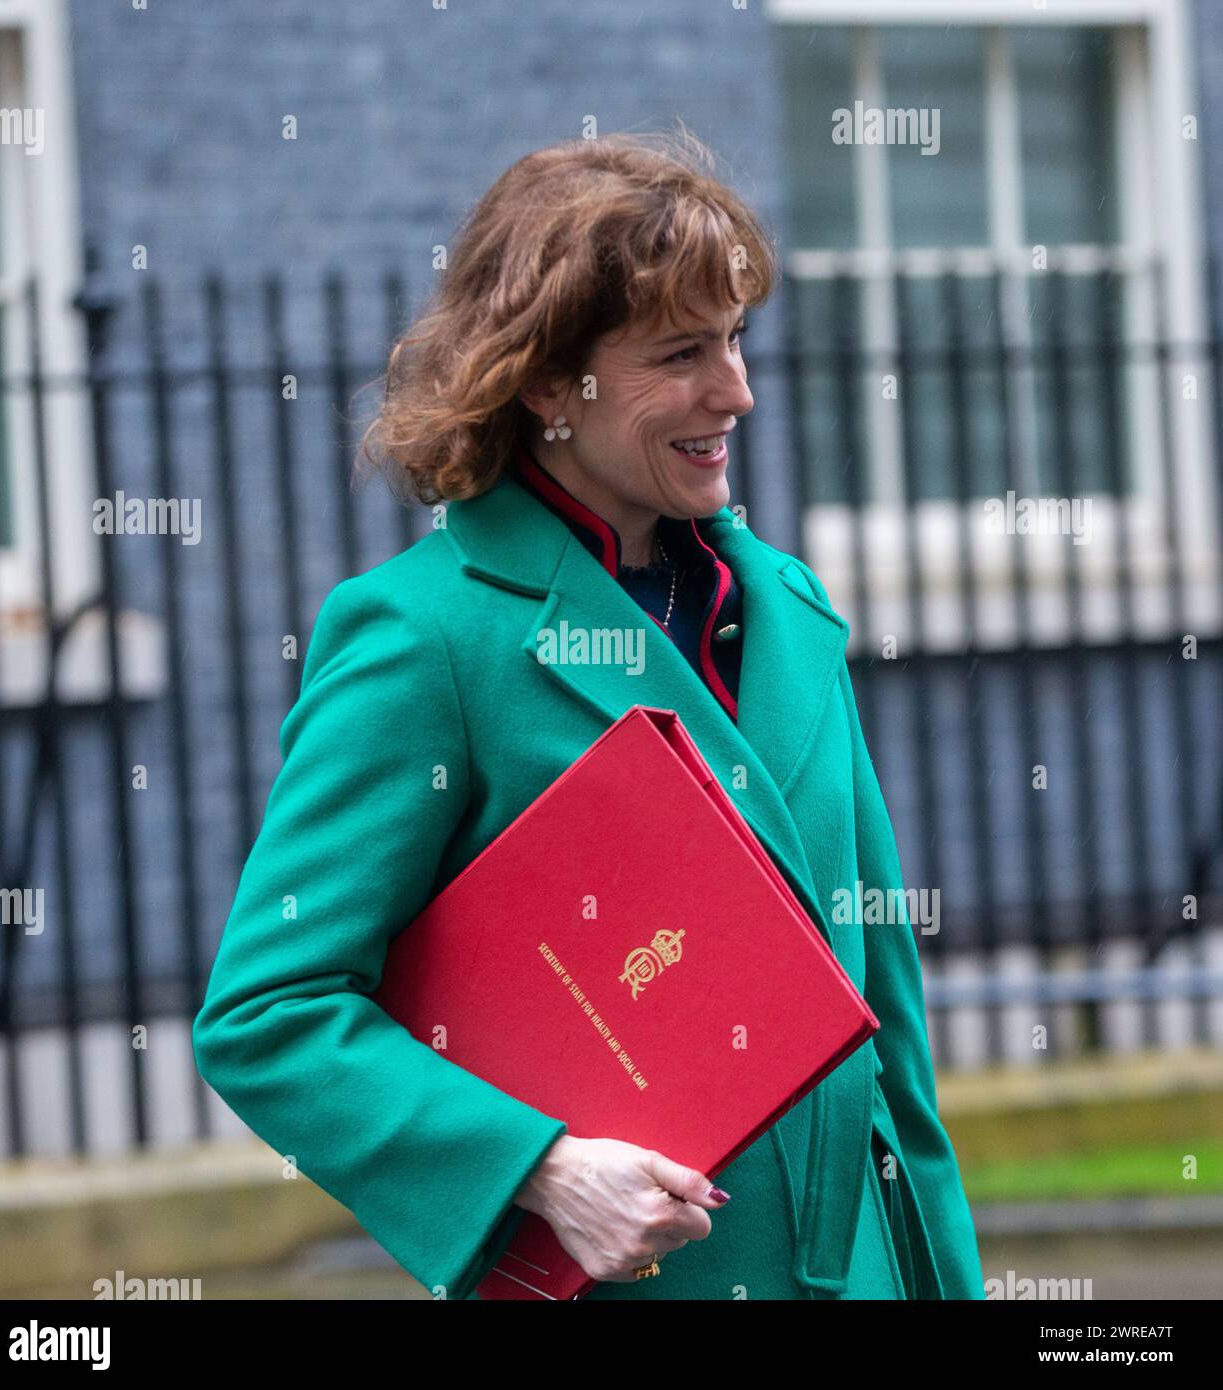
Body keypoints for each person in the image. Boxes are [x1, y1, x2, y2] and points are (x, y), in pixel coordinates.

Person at [192, 128, 985, 1301]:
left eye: (734, 339)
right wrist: (543, 1168)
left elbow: (888, 1036)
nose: (737, 391)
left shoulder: (787, 606)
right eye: (681, 353)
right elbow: (268, 1012)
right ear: (550, 383)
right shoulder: (422, 636)